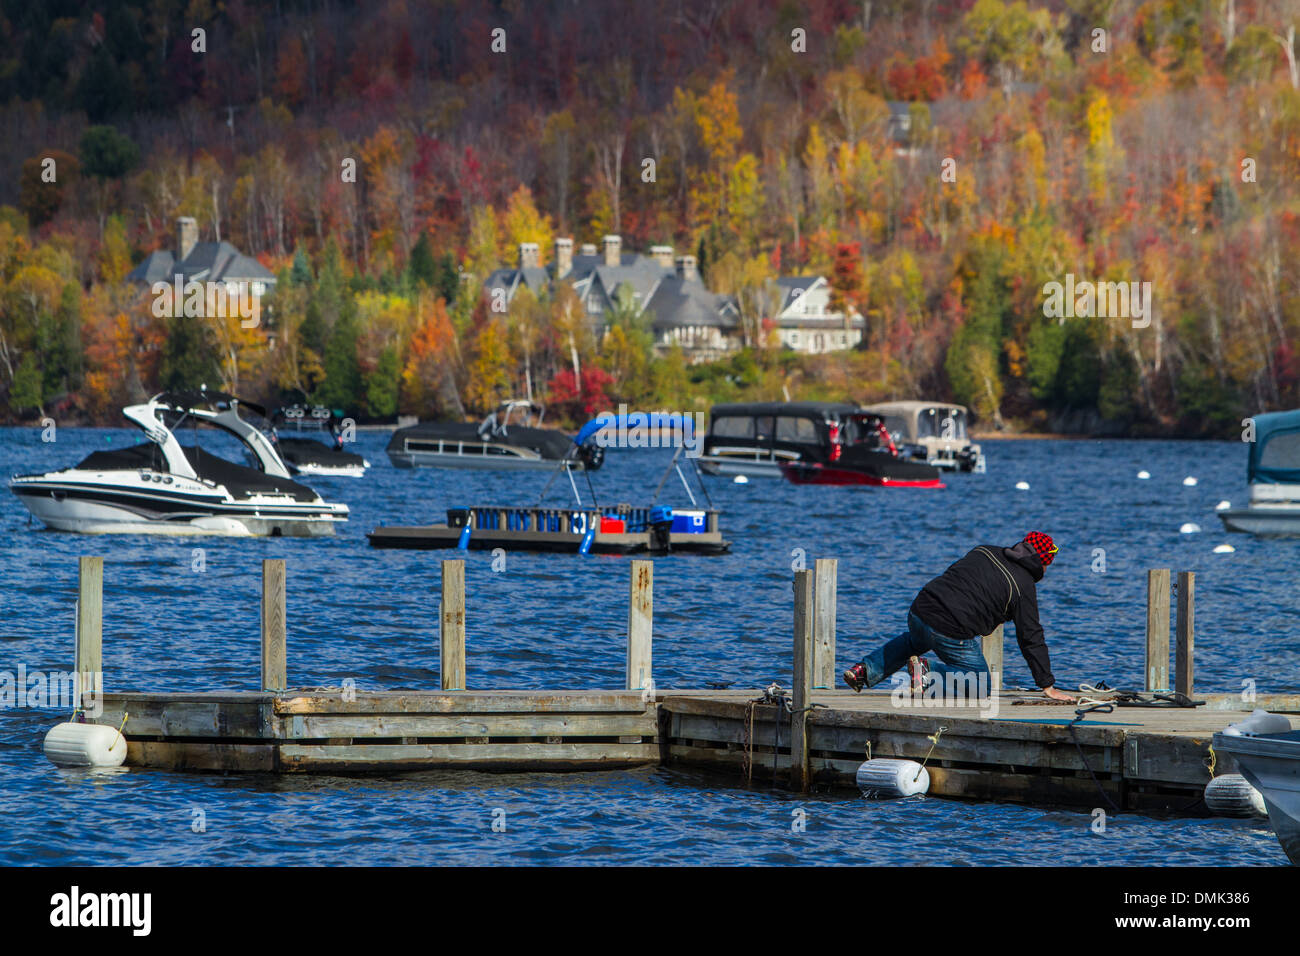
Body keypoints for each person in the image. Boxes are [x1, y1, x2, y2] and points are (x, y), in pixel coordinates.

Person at [842, 532, 1075, 702]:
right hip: (950, 629)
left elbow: (956, 577)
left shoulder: (984, 550)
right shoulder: (1023, 587)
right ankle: (927, 673)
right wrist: (1047, 684)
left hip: (920, 608)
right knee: (982, 685)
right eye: (1048, 564)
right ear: (1042, 562)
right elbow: (1030, 636)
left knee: (917, 639)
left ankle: (864, 670)